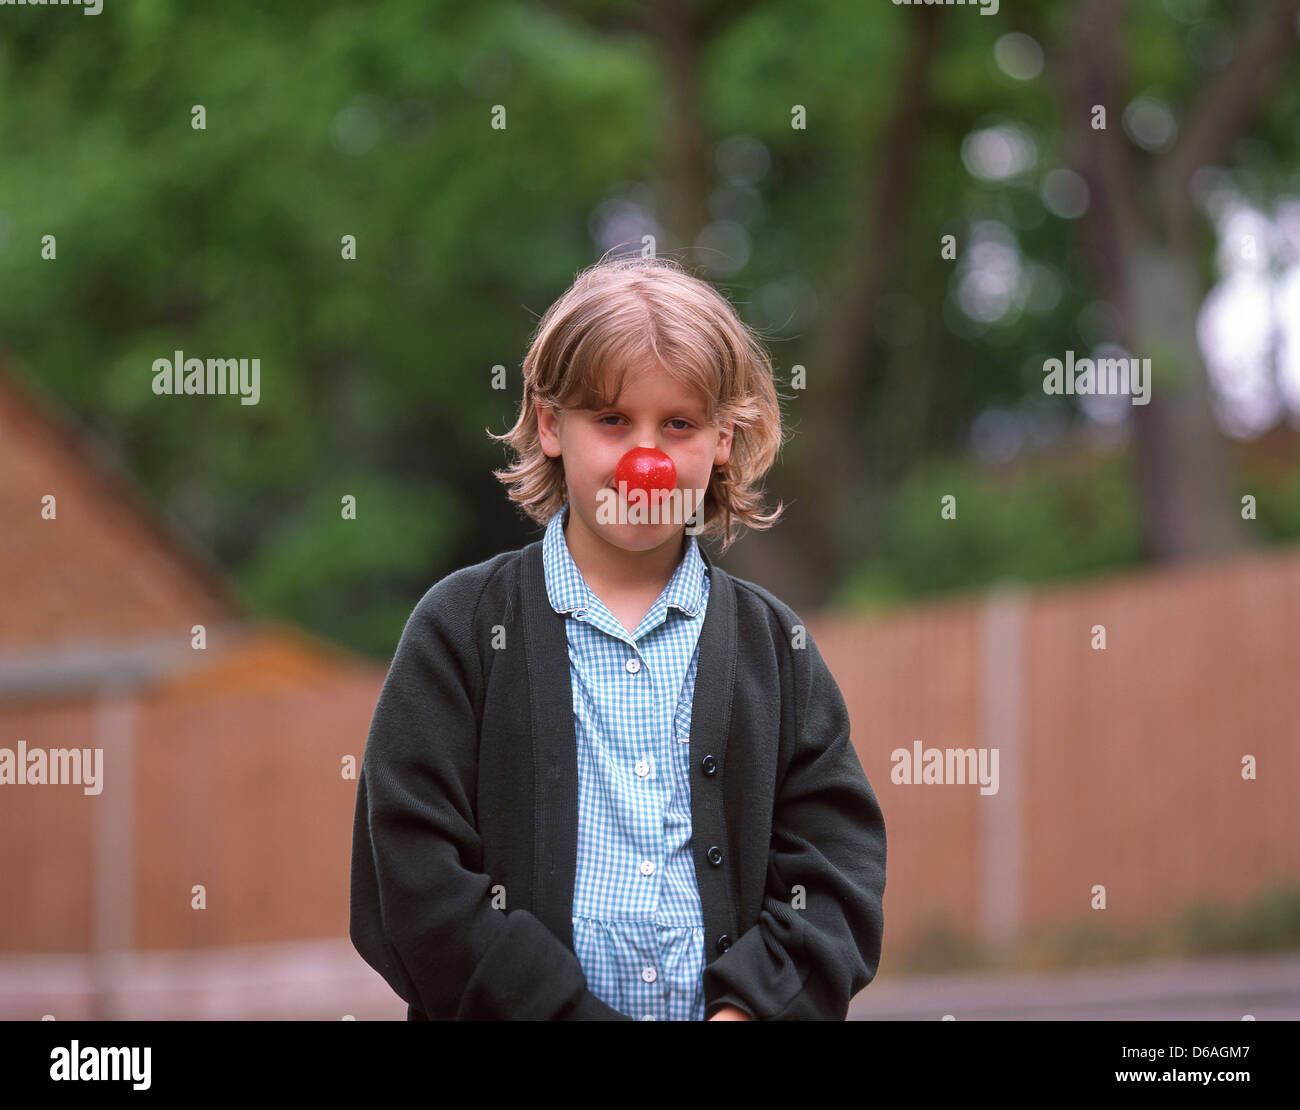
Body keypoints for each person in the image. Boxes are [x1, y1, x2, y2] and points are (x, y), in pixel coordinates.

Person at [349, 253, 886, 1020]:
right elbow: (412, 876)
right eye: (611, 420)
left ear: (724, 439)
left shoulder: (776, 649)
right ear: (550, 425)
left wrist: (753, 1010)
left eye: (679, 423)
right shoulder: (460, 631)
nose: (646, 458)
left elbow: (837, 868)